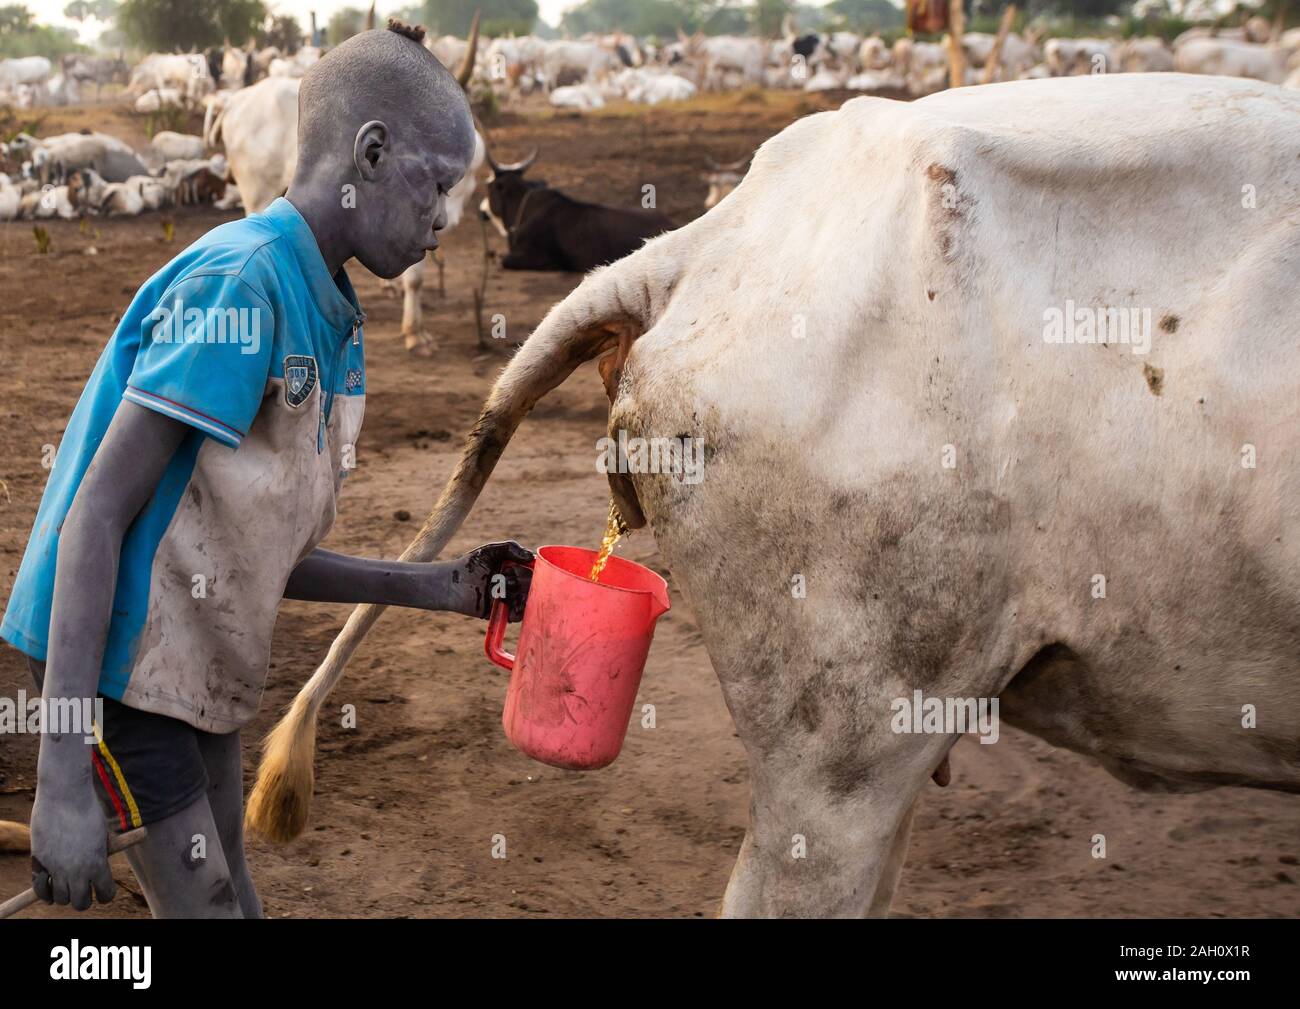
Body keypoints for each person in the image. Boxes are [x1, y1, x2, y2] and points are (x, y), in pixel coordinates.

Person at [0, 21, 530, 918]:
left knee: (234, 894)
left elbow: (255, 550)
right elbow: (95, 514)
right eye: (436, 185)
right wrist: (58, 781)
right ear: (369, 151)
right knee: (208, 905)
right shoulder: (241, 286)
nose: (446, 218)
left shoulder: (329, 312)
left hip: (196, 666)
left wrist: (444, 586)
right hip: (123, 675)